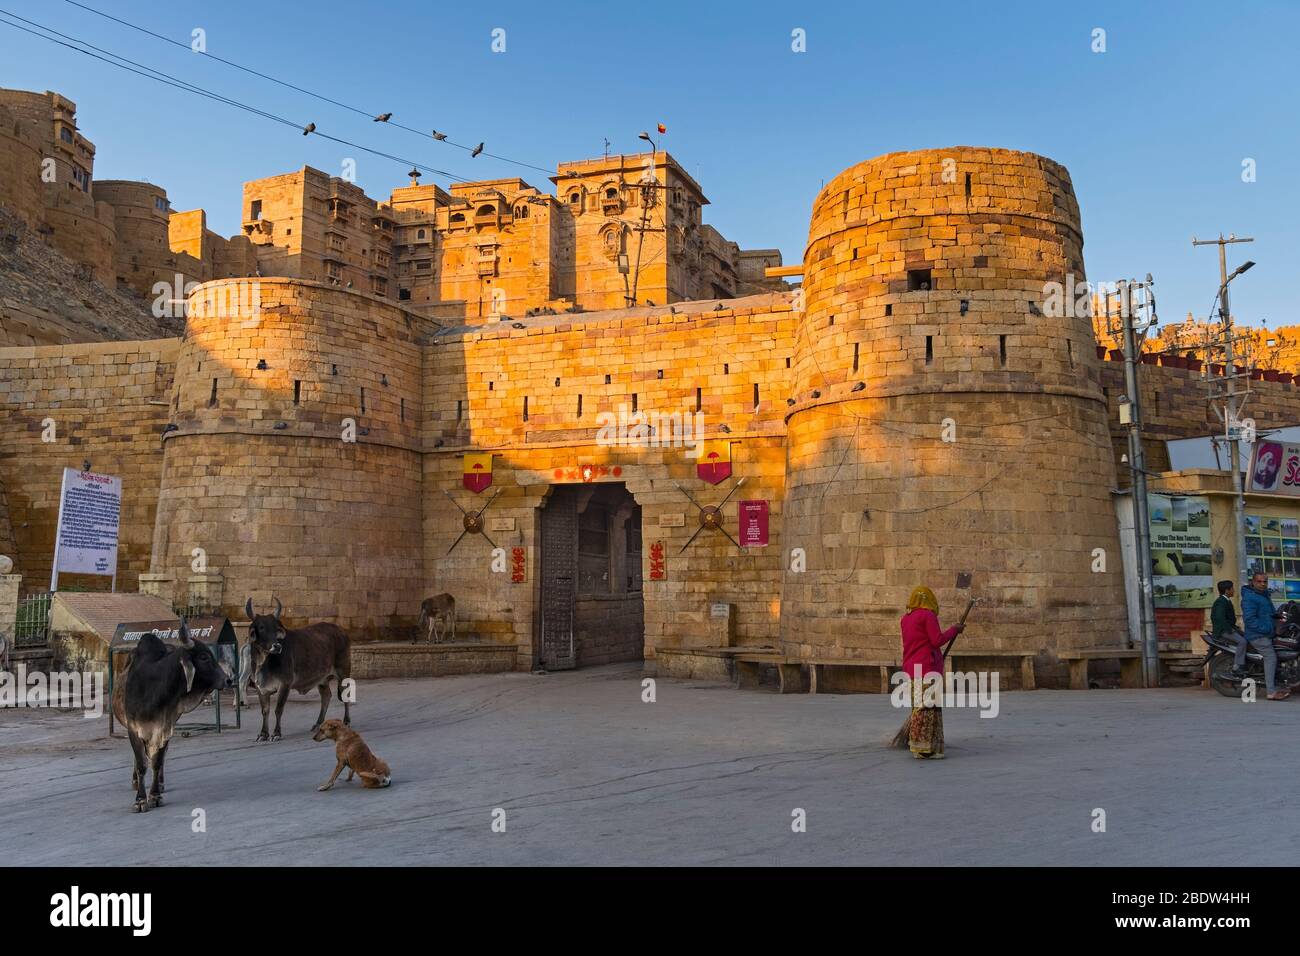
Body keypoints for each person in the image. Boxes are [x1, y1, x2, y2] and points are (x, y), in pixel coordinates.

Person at [900, 585, 965, 759]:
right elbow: (937, 640)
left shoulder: (906, 618)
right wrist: (954, 630)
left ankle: (921, 746)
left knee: (919, 707)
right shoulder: (927, 616)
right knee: (929, 710)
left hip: (912, 668)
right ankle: (925, 749)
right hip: (927, 668)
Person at [1240, 570, 1289, 701]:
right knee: (1271, 657)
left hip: (1267, 632)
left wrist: (1280, 617)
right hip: (1257, 635)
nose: (1262, 584)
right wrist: (1268, 628)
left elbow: (1268, 613)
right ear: (1253, 582)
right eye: (1259, 581)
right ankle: (1271, 692)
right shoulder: (1250, 597)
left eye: (1265, 581)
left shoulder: (1263, 594)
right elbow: (1249, 620)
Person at [1211, 580, 1248, 676]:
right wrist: (1230, 629)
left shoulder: (1225, 600)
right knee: (1242, 642)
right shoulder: (1221, 602)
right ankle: (1237, 666)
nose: (1234, 590)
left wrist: (1236, 628)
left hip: (1229, 628)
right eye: (1232, 588)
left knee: (1248, 637)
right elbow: (1220, 618)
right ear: (1227, 590)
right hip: (1223, 631)